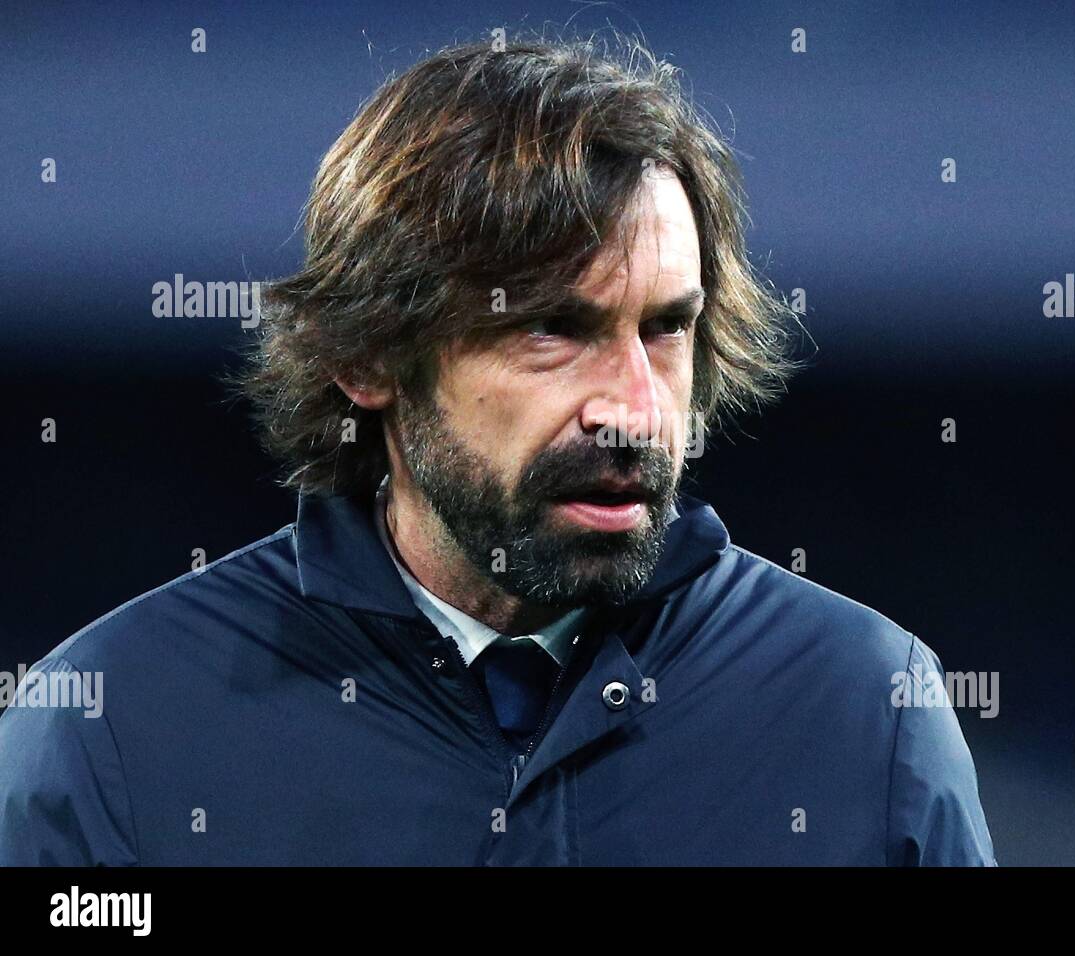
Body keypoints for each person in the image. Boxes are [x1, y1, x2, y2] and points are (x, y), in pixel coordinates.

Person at [0, 34, 995, 865]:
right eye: (551, 331)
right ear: (367, 354)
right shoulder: (112, 729)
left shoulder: (867, 710)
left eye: (664, 329)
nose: (632, 408)